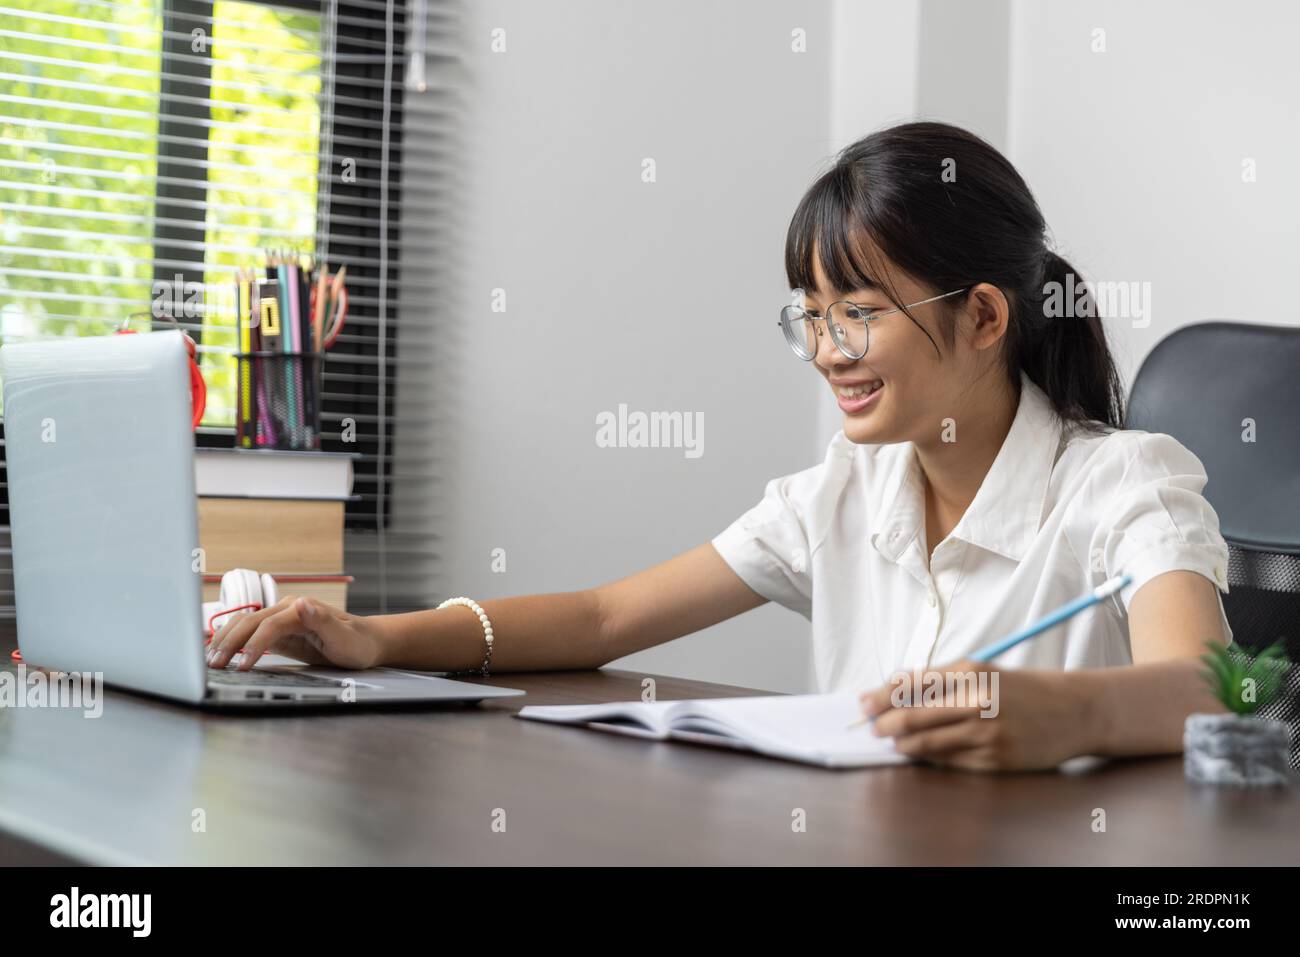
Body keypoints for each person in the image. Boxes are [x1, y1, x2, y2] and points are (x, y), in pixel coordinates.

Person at [207, 121, 1231, 771]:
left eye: (858, 313)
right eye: (810, 317)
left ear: (983, 319)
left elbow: (1207, 689)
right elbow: (607, 615)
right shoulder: (843, 490)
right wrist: (379, 639)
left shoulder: (1120, 482)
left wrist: (1060, 716)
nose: (828, 351)